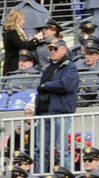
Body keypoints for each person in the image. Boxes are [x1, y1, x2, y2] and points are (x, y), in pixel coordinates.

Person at [34, 37, 77, 169]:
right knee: (40, 150)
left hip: (61, 112)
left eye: (55, 49)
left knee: (61, 149)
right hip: (45, 111)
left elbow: (65, 85)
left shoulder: (70, 67)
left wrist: (46, 85)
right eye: (51, 49)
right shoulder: (48, 68)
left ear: (64, 50)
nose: (52, 51)